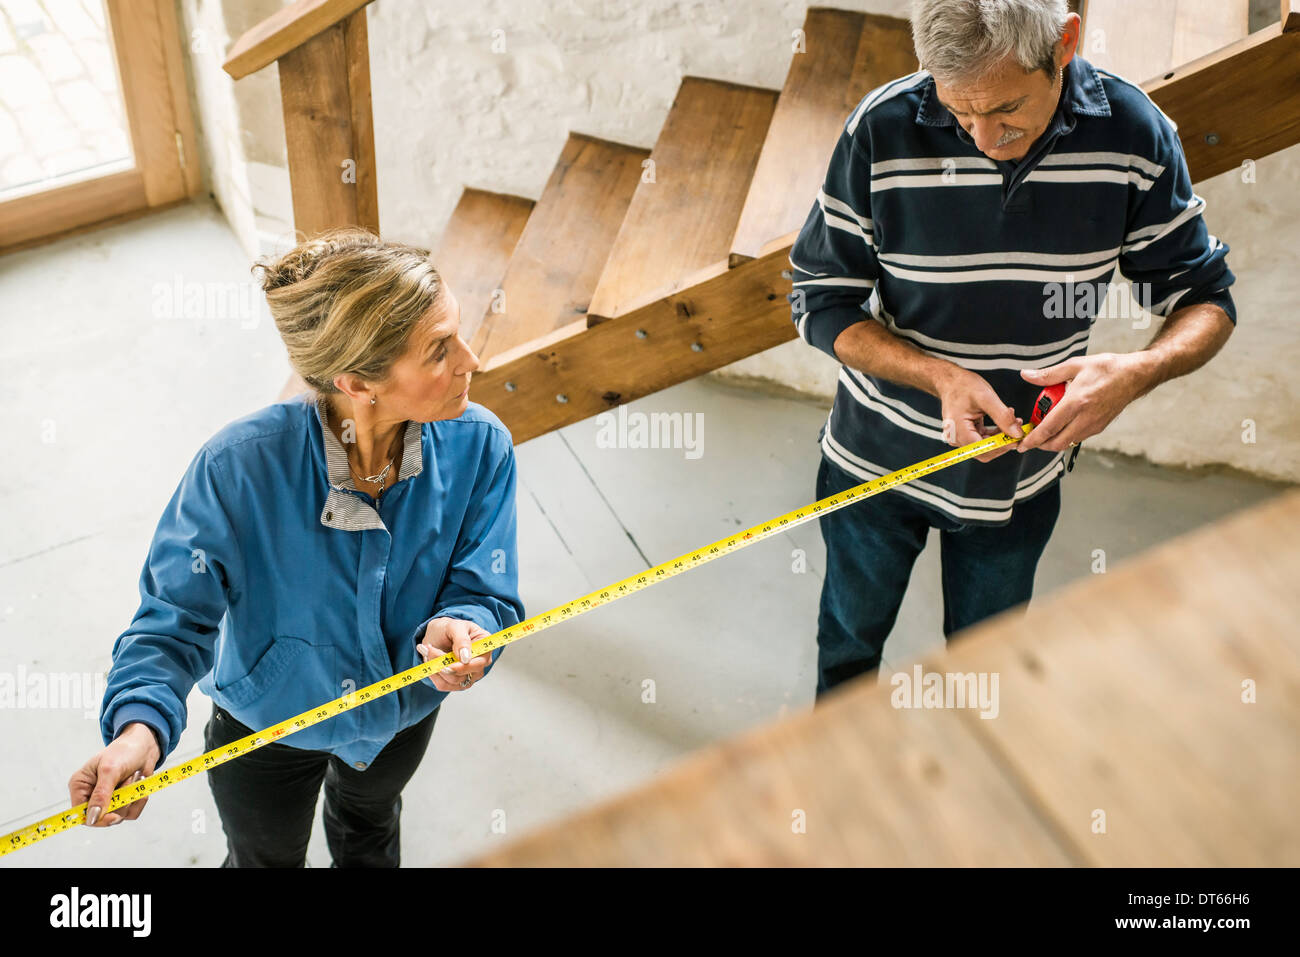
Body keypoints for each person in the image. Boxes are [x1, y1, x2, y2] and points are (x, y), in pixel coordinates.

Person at [791, 0, 1236, 698]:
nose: (983, 137)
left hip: (1019, 484)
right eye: (959, 113)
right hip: (875, 463)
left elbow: (1206, 298)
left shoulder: (1136, 133)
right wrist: (937, 375)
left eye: (1005, 110)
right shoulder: (879, 128)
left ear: (1064, 44)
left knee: (982, 672)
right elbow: (820, 299)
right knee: (848, 644)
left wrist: (1138, 372)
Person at [71, 227, 524, 866]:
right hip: (263, 729)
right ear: (357, 383)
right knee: (263, 858)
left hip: (399, 716)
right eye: (440, 349)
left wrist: (467, 623)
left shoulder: (482, 446)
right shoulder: (236, 470)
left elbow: (484, 588)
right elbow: (173, 622)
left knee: (369, 829)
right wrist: (139, 728)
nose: (471, 360)